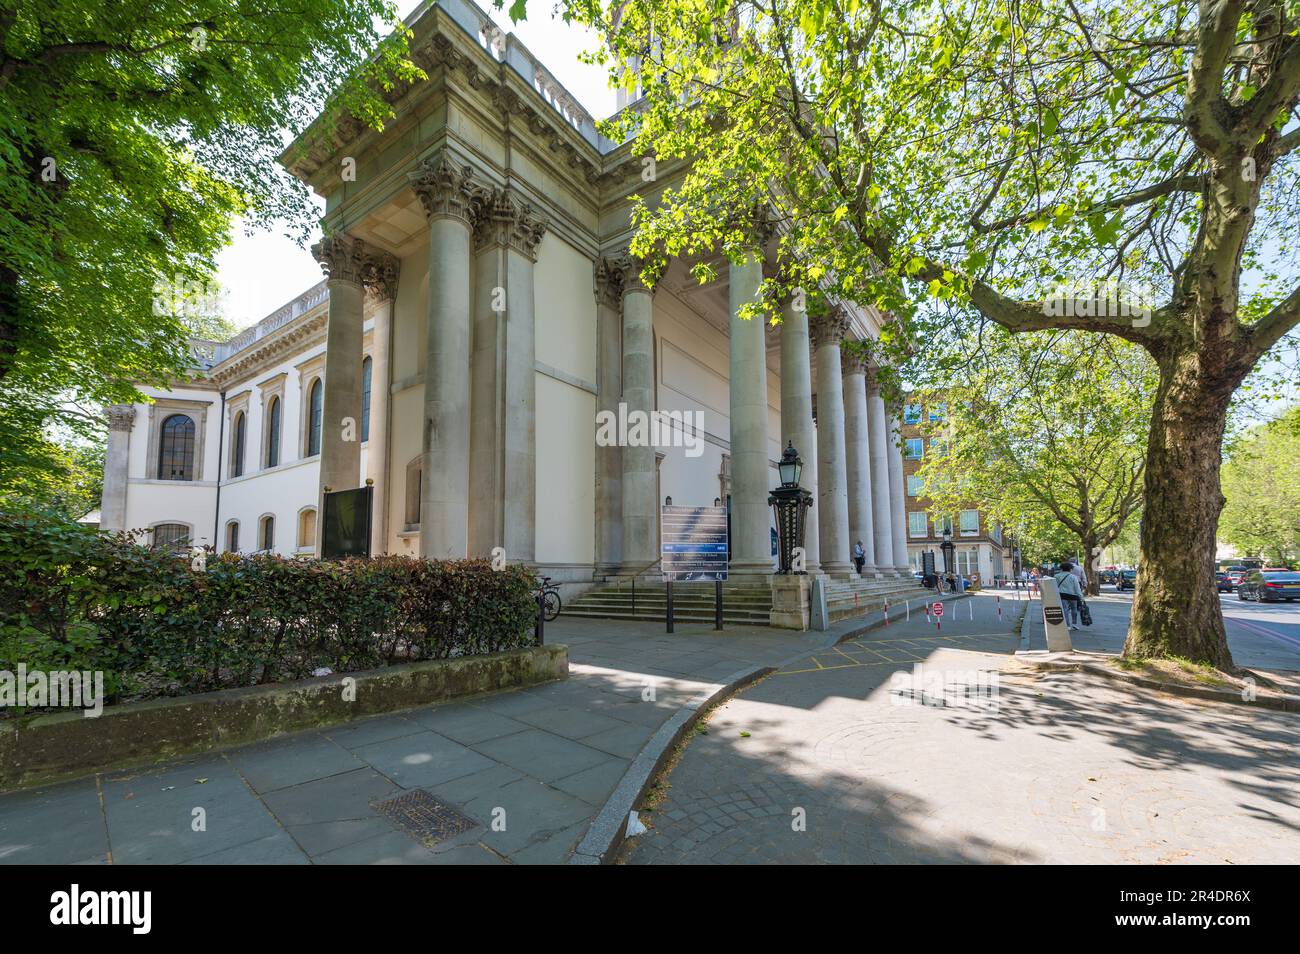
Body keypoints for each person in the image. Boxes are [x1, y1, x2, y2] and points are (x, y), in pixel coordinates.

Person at [1054, 561, 1085, 630]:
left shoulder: (1057, 576)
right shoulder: (1073, 577)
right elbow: (1077, 588)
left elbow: (1054, 586)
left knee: (1065, 610)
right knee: (1074, 610)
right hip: (1073, 596)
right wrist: (1081, 596)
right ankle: (1074, 624)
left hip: (1062, 595)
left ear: (1061, 569)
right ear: (1070, 569)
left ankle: (1067, 625)